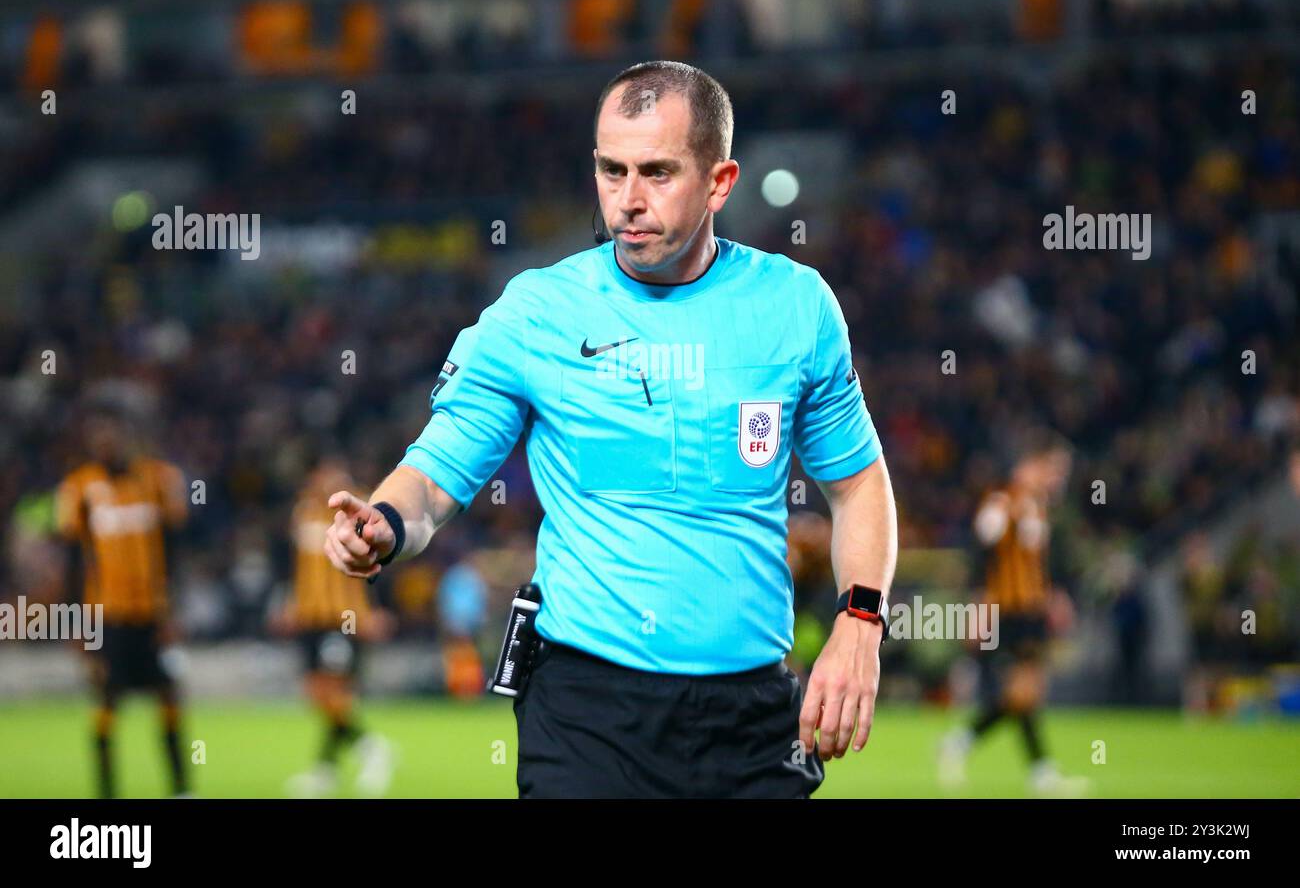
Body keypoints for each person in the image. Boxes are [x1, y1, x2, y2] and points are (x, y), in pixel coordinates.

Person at [324, 60, 898, 798]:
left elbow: (857, 484)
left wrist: (860, 622)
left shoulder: (795, 307)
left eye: (657, 172)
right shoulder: (536, 314)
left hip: (751, 717)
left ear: (720, 182)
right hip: (587, 714)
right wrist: (386, 522)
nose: (628, 200)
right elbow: (435, 475)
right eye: (611, 170)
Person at [938, 433, 1089, 796]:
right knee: (1023, 693)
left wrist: (1054, 596)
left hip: (1032, 612)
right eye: (1054, 470)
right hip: (1006, 613)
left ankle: (964, 744)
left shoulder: (1037, 506)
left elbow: (1038, 562)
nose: (1058, 480)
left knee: (1023, 696)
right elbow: (979, 555)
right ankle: (1038, 771)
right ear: (1031, 465)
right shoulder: (1000, 502)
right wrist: (978, 606)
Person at [54, 400, 191, 798]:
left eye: (114, 434)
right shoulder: (80, 488)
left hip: (151, 615)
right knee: (105, 704)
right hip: (108, 618)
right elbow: (73, 563)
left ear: (129, 437)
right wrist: (75, 625)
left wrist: (173, 610)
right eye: (100, 436)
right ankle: (107, 792)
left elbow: (173, 549)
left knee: (169, 698)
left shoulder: (158, 480)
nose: (108, 443)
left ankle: (182, 790)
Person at [275, 457, 395, 797]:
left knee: (334, 691)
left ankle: (365, 751)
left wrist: (377, 609)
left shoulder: (362, 508)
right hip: (309, 616)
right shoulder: (303, 512)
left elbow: (381, 558)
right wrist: (289, 602)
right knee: (317, 693)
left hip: (345, 617)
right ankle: (340, 761)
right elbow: (294, 565)